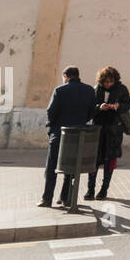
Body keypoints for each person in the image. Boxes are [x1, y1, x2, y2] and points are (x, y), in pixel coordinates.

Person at [39, 66, 97, 208]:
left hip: (59, 134)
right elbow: (92, 112)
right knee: (72, 168)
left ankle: (47, 199)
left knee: (51, 167)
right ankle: (66, 198)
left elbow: (50, 112)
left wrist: (52, 128)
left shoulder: (59, 90)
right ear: (78, 75)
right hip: (79, 135)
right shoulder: (89, 90)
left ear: (66, 76)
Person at [88, 66, 130, 200]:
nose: (108, 84)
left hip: (114, 130)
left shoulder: (121, 89)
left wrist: (118, 106)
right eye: (105, 82)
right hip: (98, 129)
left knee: (109, 159)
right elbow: (90, 108)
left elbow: (128, 104)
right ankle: (90, 190)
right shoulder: (96, 90)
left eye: (110, 81)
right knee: (94, 160)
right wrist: (99, 108)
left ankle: (104, 190)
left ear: (115, 80)